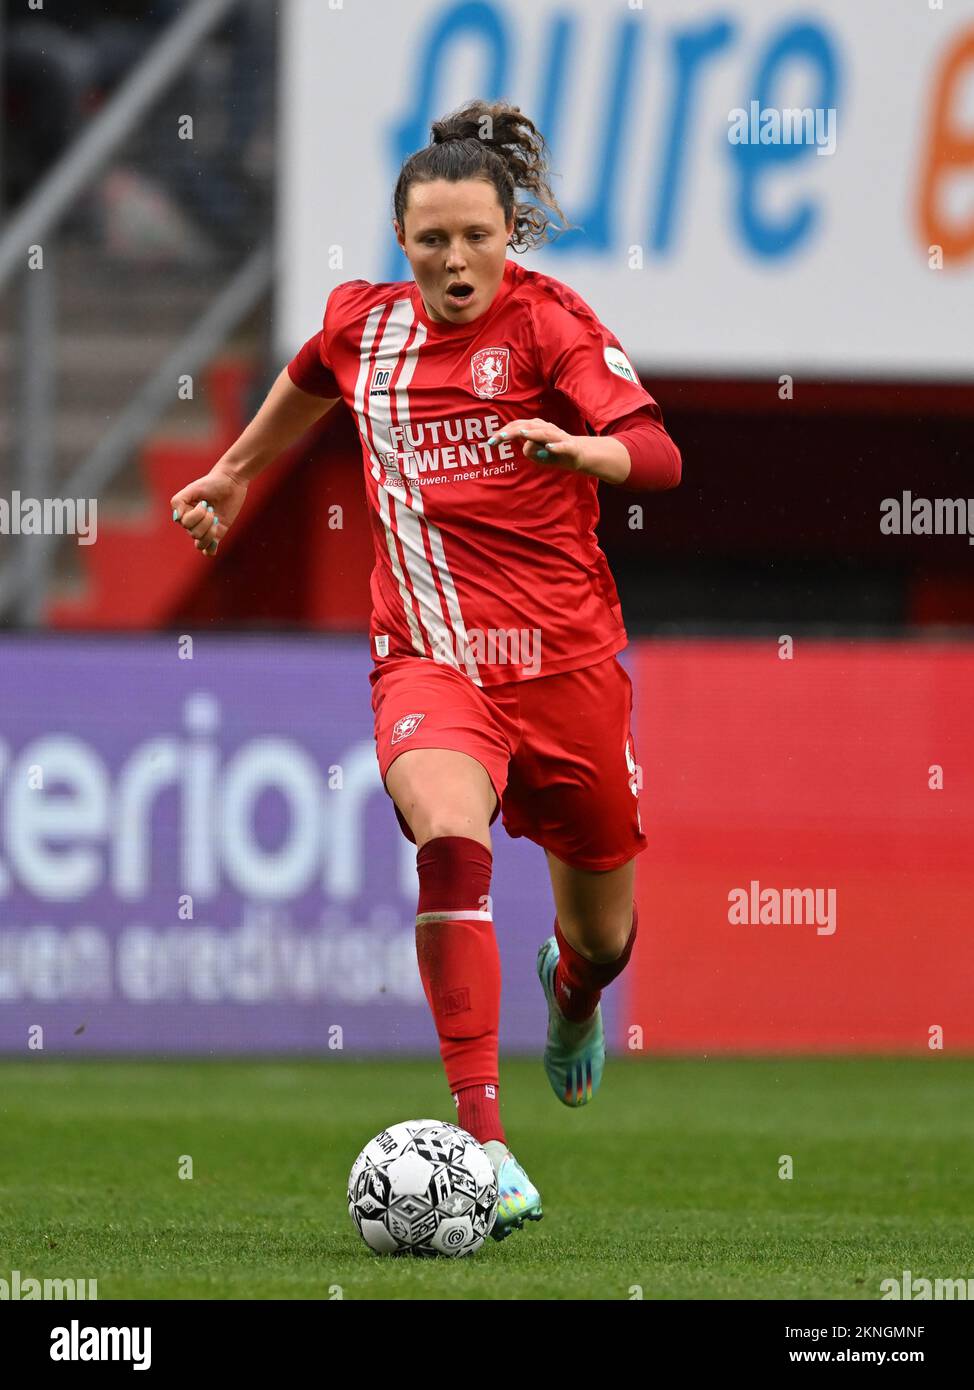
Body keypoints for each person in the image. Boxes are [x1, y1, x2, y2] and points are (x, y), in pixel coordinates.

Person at [170, 100, 682, 1242]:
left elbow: (656, 450)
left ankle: (571, 995)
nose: (454, 261)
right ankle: (485, 1144)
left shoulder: (551, 327)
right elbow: (308, 373)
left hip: (565, 667)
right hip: (428, 663)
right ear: (401, 241)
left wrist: (575, 446)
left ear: (511, 235)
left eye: (476, 238)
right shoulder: (367, 327)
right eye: (430, 240)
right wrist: (238, 470)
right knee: (448, 833)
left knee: (602, 935)